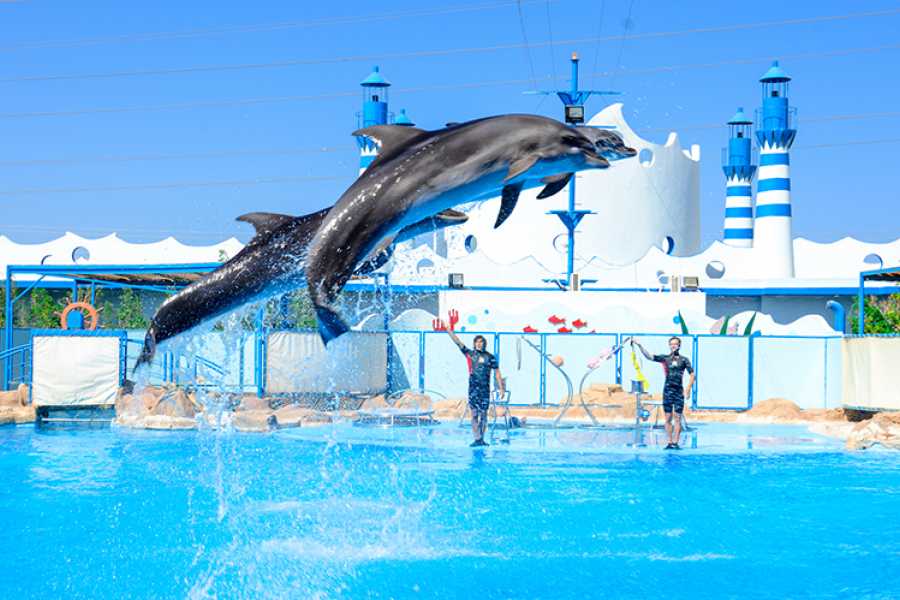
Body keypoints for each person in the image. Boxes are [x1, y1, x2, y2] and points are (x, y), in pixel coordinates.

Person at [442, 325, 504, 447]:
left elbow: (497, 373)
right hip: (473, 389)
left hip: (485, 390)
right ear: (474, 344)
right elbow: (458, 342)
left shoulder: (490, 357)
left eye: (481, 342)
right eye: (477, 342)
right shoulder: (470, 354)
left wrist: (501, 388)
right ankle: (477, 438)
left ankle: (482, 439)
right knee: (474, 414)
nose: (479, 344)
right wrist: (449, 331)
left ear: (484, 344)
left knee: (484, 414)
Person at [633, 337, 695, 450]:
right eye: (671, 344)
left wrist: (688, 389)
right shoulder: (665, 358)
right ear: (669, 345)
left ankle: (676, 443)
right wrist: (639, 345)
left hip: (678, 392)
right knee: (667, 418)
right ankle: (670, 442)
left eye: (675, 344)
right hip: (667, 391)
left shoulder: (684, 360)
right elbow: (649, 357)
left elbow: (692, 375)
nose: (673, 346)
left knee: (677, 418)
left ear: (679, 346)